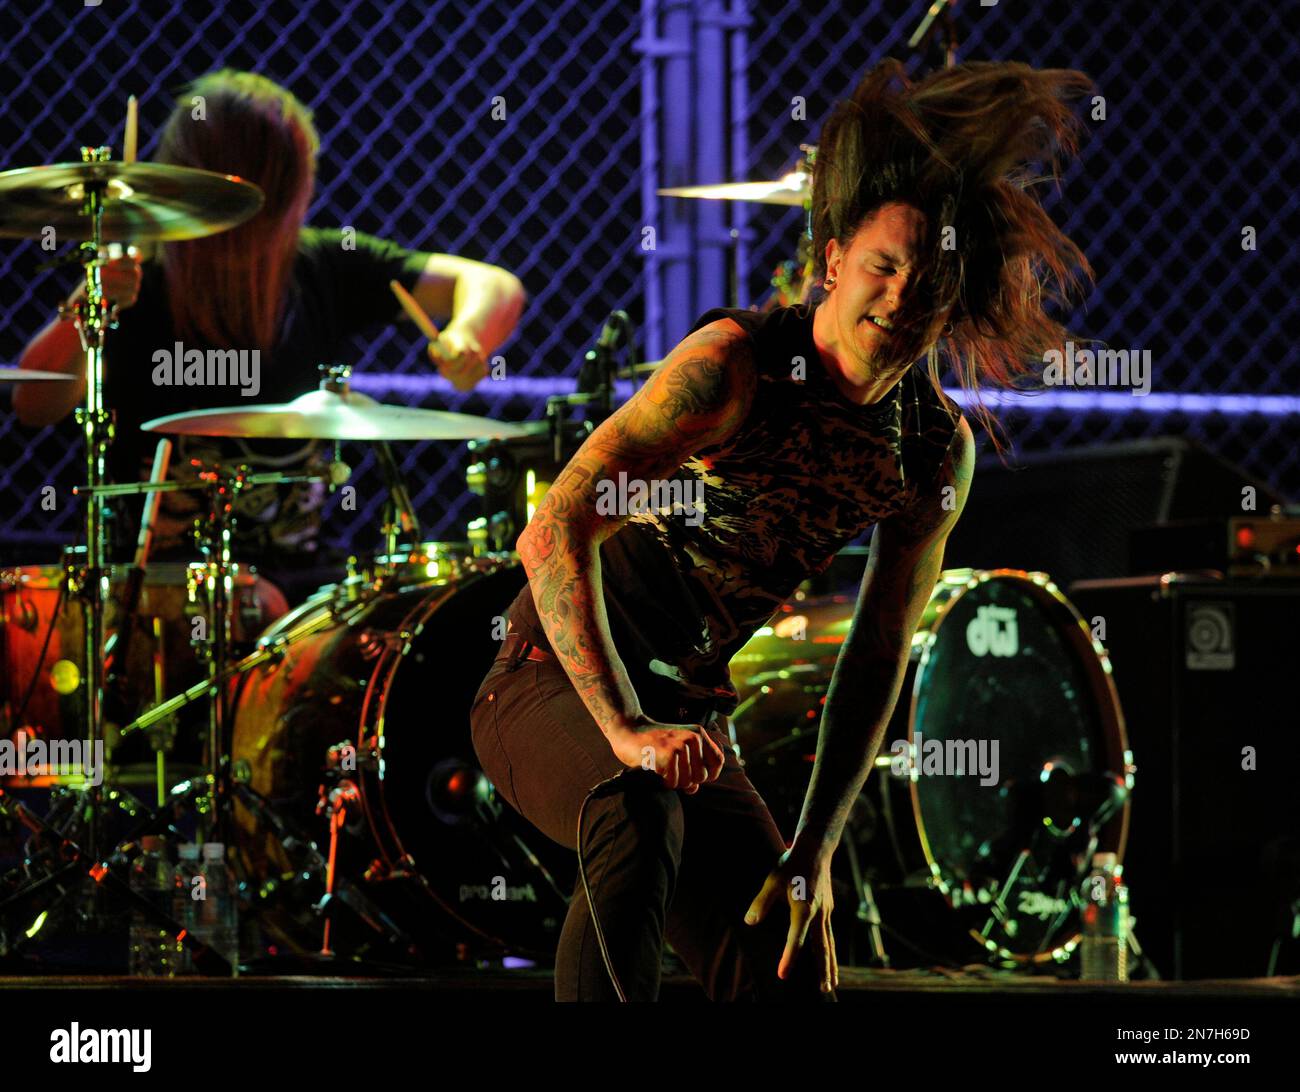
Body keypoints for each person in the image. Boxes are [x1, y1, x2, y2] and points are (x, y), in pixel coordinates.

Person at [470, 58, 1094, 1001]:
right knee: (639, 809)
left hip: (681, 718)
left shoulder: (929, 451)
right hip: (545, 681)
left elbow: (879, 652)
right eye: (882, 267)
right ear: (833, 260)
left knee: (785, 948)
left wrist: (816, 847)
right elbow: (551, 532)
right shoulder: (733, 369)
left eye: (926, 281)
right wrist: (627, 728)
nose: (897, 299)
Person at [13, 69, 524, 604]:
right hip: (152, 592)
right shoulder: (137, 276)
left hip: (300, 594)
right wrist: (87, 306)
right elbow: (33, 402)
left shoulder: (324, 266)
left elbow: (493, 283)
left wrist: (467, 334)